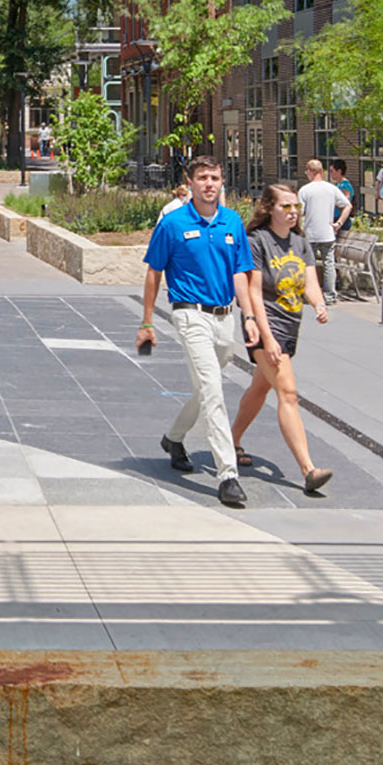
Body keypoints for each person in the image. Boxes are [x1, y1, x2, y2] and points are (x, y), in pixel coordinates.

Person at [137, 147, 262, 508]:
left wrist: (249, 316)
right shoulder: (173, 223)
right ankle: (228, 475)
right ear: (189, 184)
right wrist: (147, 320)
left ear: (223, 183)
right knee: (213, 390)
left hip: (225, 317)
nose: (209, 184)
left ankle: (174, 438)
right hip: (189, 315)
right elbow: (154, 271)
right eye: (202, 178)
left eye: (215, 178)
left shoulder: (232, 222)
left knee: (205, 387)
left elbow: (241, 272)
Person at [231, 182, 334, 496]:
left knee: (260, 387)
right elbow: (254, 292)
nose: (292, 212)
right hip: (264, 325)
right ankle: (308, 469)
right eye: (285, 206)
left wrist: (318, 303)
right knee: (287, 393)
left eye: (295, 207)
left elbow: (309, 282)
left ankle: (230, 441)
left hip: (290, 325)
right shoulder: (257, 240)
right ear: (268, 209)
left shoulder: (300, 242)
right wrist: (267, 336)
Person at [298, 157, 348, 302]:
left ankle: (309, 295)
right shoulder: (331, 188)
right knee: (329, 265)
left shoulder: (305, 190)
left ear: (310, 172)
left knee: (309, 266)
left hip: (310, 234)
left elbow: (300, 212)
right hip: (327, 233)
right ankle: (330, 295)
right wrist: (338, 223)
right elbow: (347, 205)